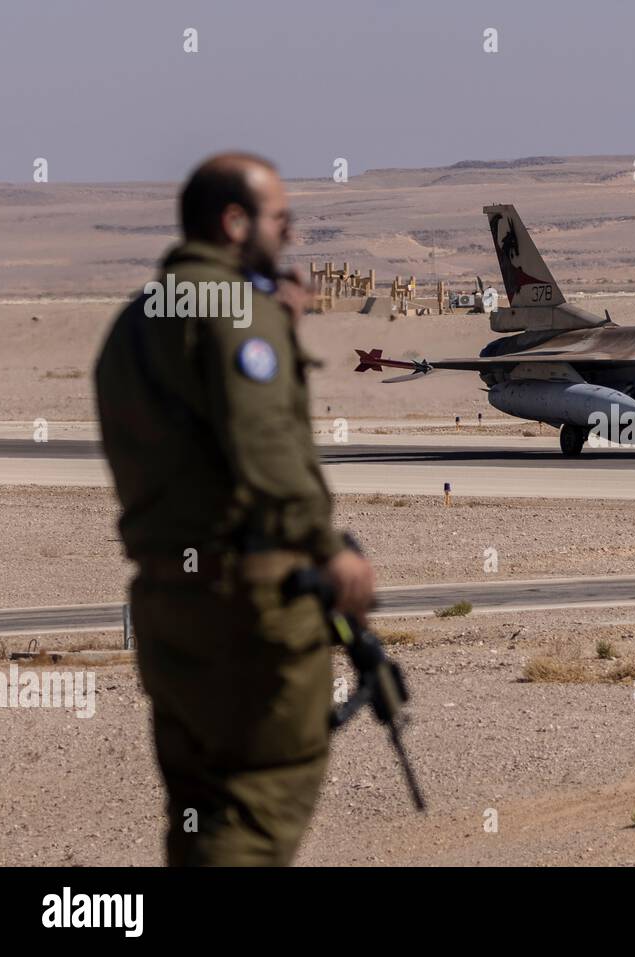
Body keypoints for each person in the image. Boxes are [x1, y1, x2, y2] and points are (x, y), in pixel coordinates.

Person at [93, 152, 375, 865]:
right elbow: (266, 443)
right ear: (234, 221)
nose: (290, 236)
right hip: (246, 603)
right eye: (282, 220)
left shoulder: (134, 323)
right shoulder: (238, 314)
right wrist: (327, 549)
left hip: (165, 602)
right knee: (258, 803)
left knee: (198, 810)